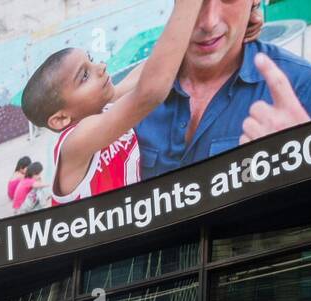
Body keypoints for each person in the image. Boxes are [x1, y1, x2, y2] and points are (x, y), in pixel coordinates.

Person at [20, 0, 205, 205]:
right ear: (61, 118)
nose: (100, 67)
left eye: (91, 59)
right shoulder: (75, 143)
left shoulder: (104, 108)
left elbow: (144, 74)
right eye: (84, 76)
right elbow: (149, 93)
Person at [135, 0, 311, 178]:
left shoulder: (301, 85)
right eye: (196, 2)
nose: (209, 22)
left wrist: (300, 167)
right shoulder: (136, 93)